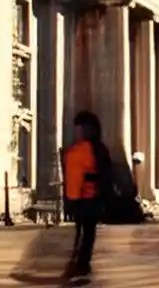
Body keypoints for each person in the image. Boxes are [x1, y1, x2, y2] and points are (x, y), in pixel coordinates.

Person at [63, 110, 113, 278]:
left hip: (86, 200)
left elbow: (101, 176)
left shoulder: (87, 151)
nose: (76, 133)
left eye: (79, 129)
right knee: (85, 233)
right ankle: (81, 262)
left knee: (85, 233)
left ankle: (81, 262)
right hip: (86, 200)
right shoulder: (88, 150)